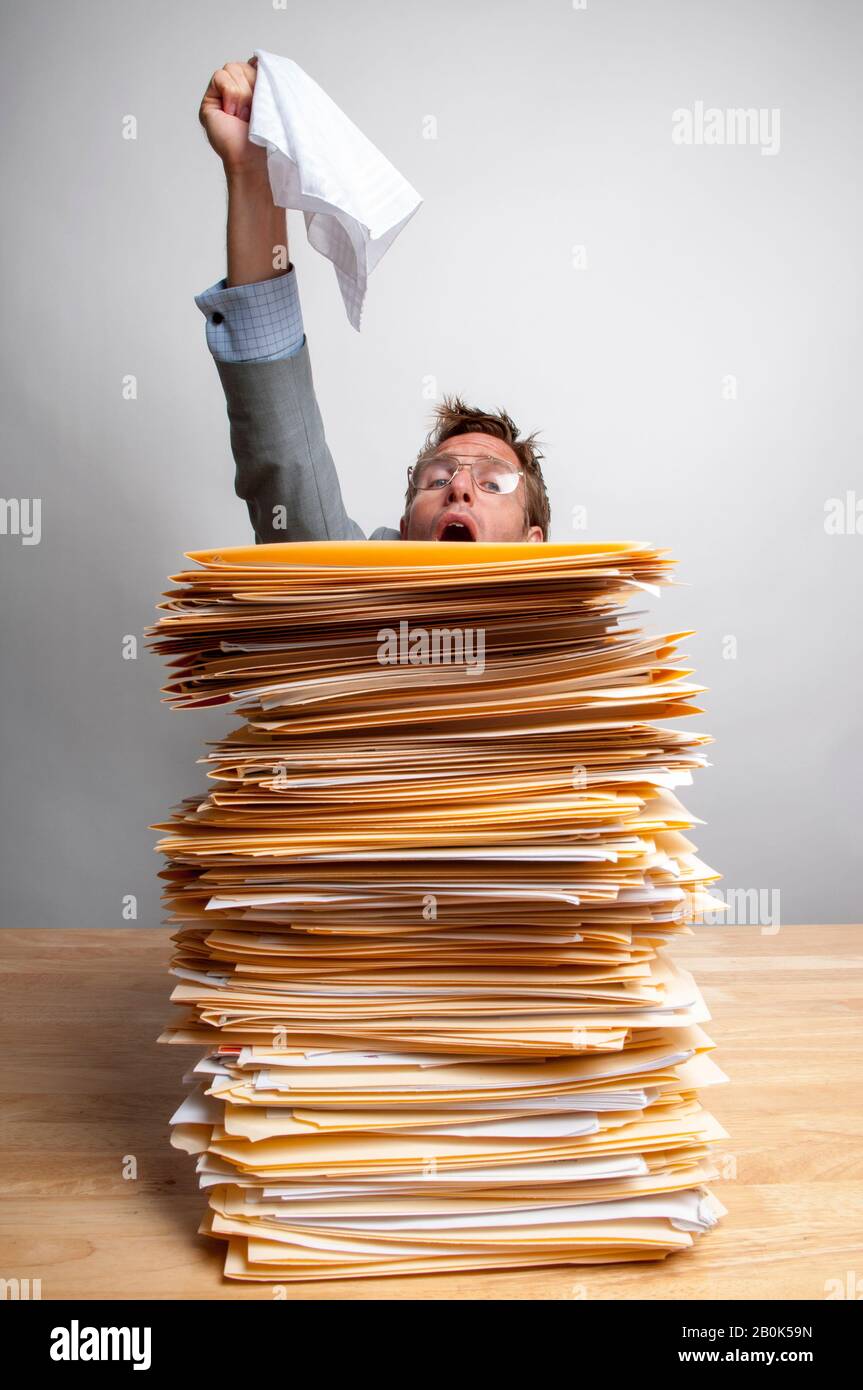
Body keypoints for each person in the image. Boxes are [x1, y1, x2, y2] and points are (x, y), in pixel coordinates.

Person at [196, 59, 551, 545]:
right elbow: (288, 474)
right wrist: (251, 171)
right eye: (438, 478)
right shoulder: (347, 591)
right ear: (403, 533)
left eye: (493, 483)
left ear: (534, 544)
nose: (460, 489)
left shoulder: (583, 619)